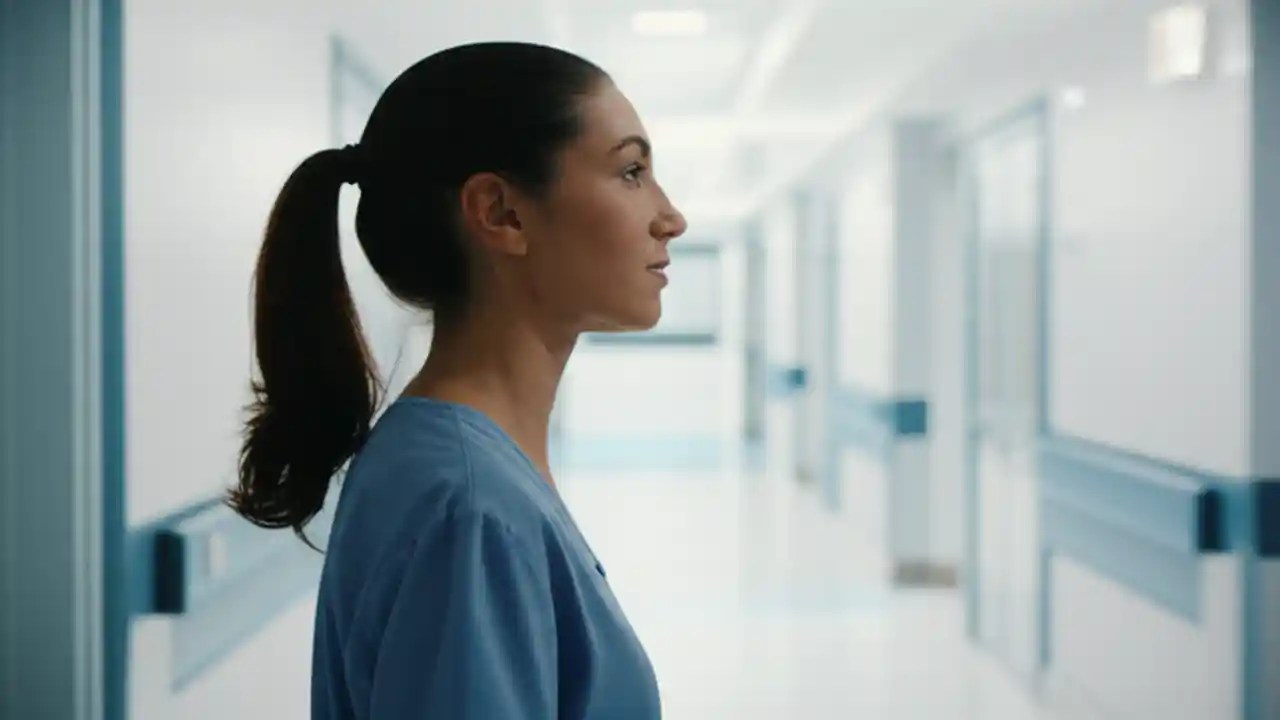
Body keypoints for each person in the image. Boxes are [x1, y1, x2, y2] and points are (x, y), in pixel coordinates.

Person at [225, 41, 687, 719]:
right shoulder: (469, 506)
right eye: (630, 171)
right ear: (501, 213)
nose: (670, 217)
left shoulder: (453, 464)